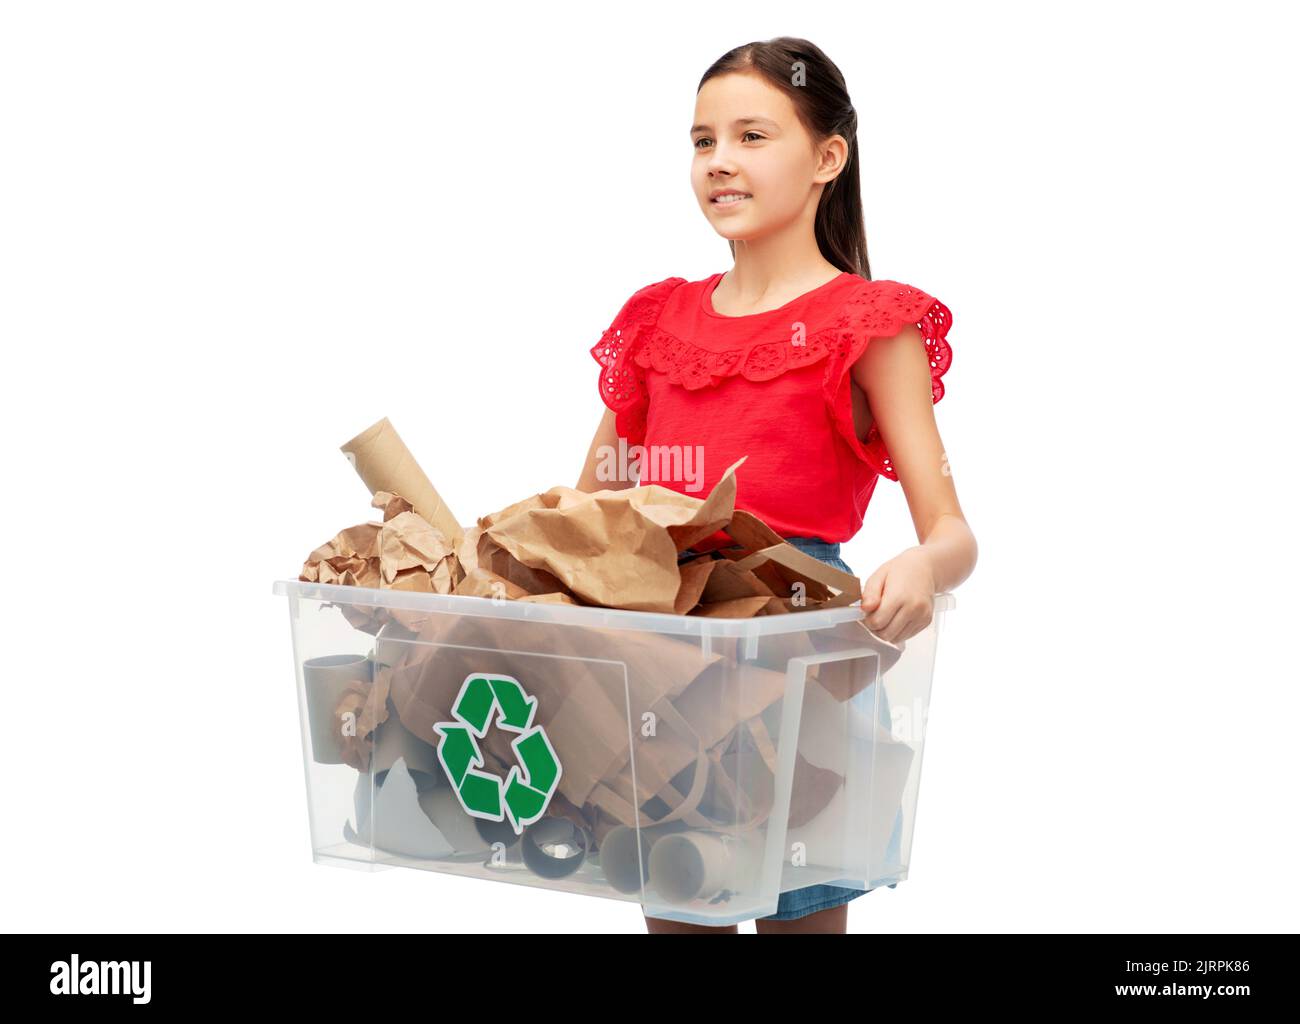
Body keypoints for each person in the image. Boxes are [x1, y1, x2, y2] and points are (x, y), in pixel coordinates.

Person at [576, 37, 977, 934]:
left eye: (753, 136)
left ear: (827, 157)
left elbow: (953, 533)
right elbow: (589, 520)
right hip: (662, 658)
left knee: (799, 912)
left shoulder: (869, 324)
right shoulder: (656, 322)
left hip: (798, 653)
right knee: (679, 902)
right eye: (702, 140)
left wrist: (919, 565)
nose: (720, 161)